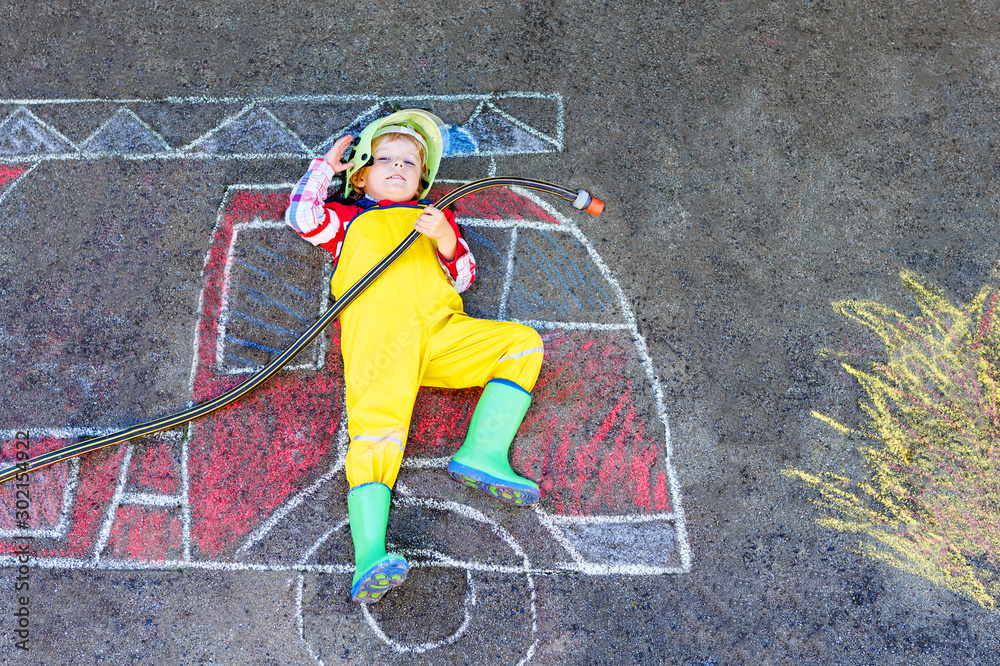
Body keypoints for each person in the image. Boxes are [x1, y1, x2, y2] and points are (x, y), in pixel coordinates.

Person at [285, 109, 544, 603]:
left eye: (411, 162)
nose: (400, 168)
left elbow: (463, 276)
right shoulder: (348, 219)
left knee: (520, 344)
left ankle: (483, 454)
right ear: (361, 174)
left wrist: (445, 238)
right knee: (378, 435)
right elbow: (302, 217)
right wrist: (326, 166)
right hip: (382, 342)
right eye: (386, 159)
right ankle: (369, 556)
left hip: (440, 334)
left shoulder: (435, 218)